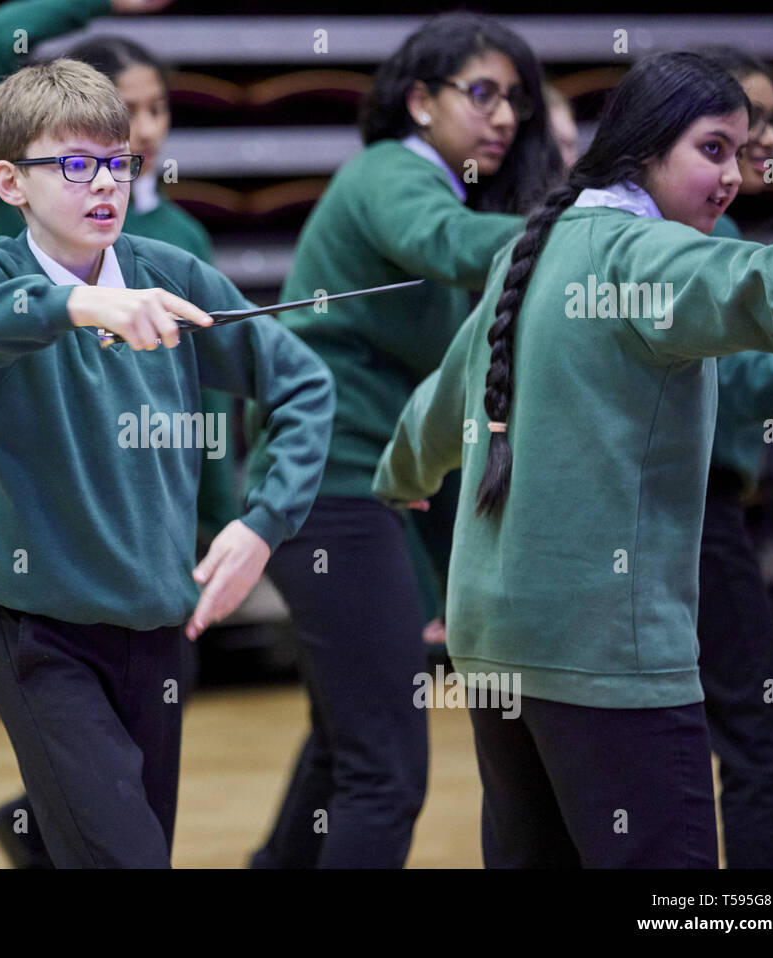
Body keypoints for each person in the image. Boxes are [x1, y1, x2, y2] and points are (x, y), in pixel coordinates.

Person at [373, 50, 773, 867]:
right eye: (713, 149)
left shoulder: (532, 250)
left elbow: (443, 404)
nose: (735, 175)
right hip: (604, 656)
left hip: (496, 649)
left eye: (742, 151)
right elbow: (765, 283)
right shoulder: (638, 255)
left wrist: (402, 476)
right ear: (647, 149)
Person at [0, 58, 334, 867]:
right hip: (43, 641)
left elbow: (302, 382)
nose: (103, 182)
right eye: (73, 165)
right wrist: (81, 304)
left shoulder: (168, 271)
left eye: (117, 162)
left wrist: (262, 525)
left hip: (157, 641)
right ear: (10, 181)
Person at [243, 11, 559, 868]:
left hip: (365, 485)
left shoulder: (452, 190)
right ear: (420, 100)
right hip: (332, 483)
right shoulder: (392, 172)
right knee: (386, 772)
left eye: (517, 105)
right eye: (483, 93)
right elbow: (446, 243)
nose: (504, 119)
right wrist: (595, 233)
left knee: (347, 736)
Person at [0, 0, 235, 868]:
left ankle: (42, 824)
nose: (140, 136)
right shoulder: (17, 237)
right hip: (49, 588)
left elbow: (210, 403)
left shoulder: (178, 239)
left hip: (152, 575)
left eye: (154, 114)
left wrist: (221, 526)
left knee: (135, 830)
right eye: (122, 115)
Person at [694, 45, 773, 869]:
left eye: (772, 118)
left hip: (666, 518)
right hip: (697, 516)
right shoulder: (710, 231)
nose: (768, 136)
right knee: (761, 745)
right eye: (751, 119)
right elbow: (742, 389)